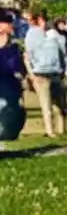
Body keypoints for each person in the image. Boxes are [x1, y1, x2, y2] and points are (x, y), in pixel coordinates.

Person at [24, 12, 67, 138]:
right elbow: (28, 56)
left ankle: (62, 129)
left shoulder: (55, 36)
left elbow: (62, 54)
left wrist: (64, 70)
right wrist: (31, 74)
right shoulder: (31, 36)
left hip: (55, 73)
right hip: (40, 75)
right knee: (46, 105)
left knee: (60, 105)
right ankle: (50, 131)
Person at [0, 13, 28, 142]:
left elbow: (20, 67)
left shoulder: (15, 46)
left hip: (11, 88)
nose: (5, 38)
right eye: (1, 34)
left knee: (14, 117)